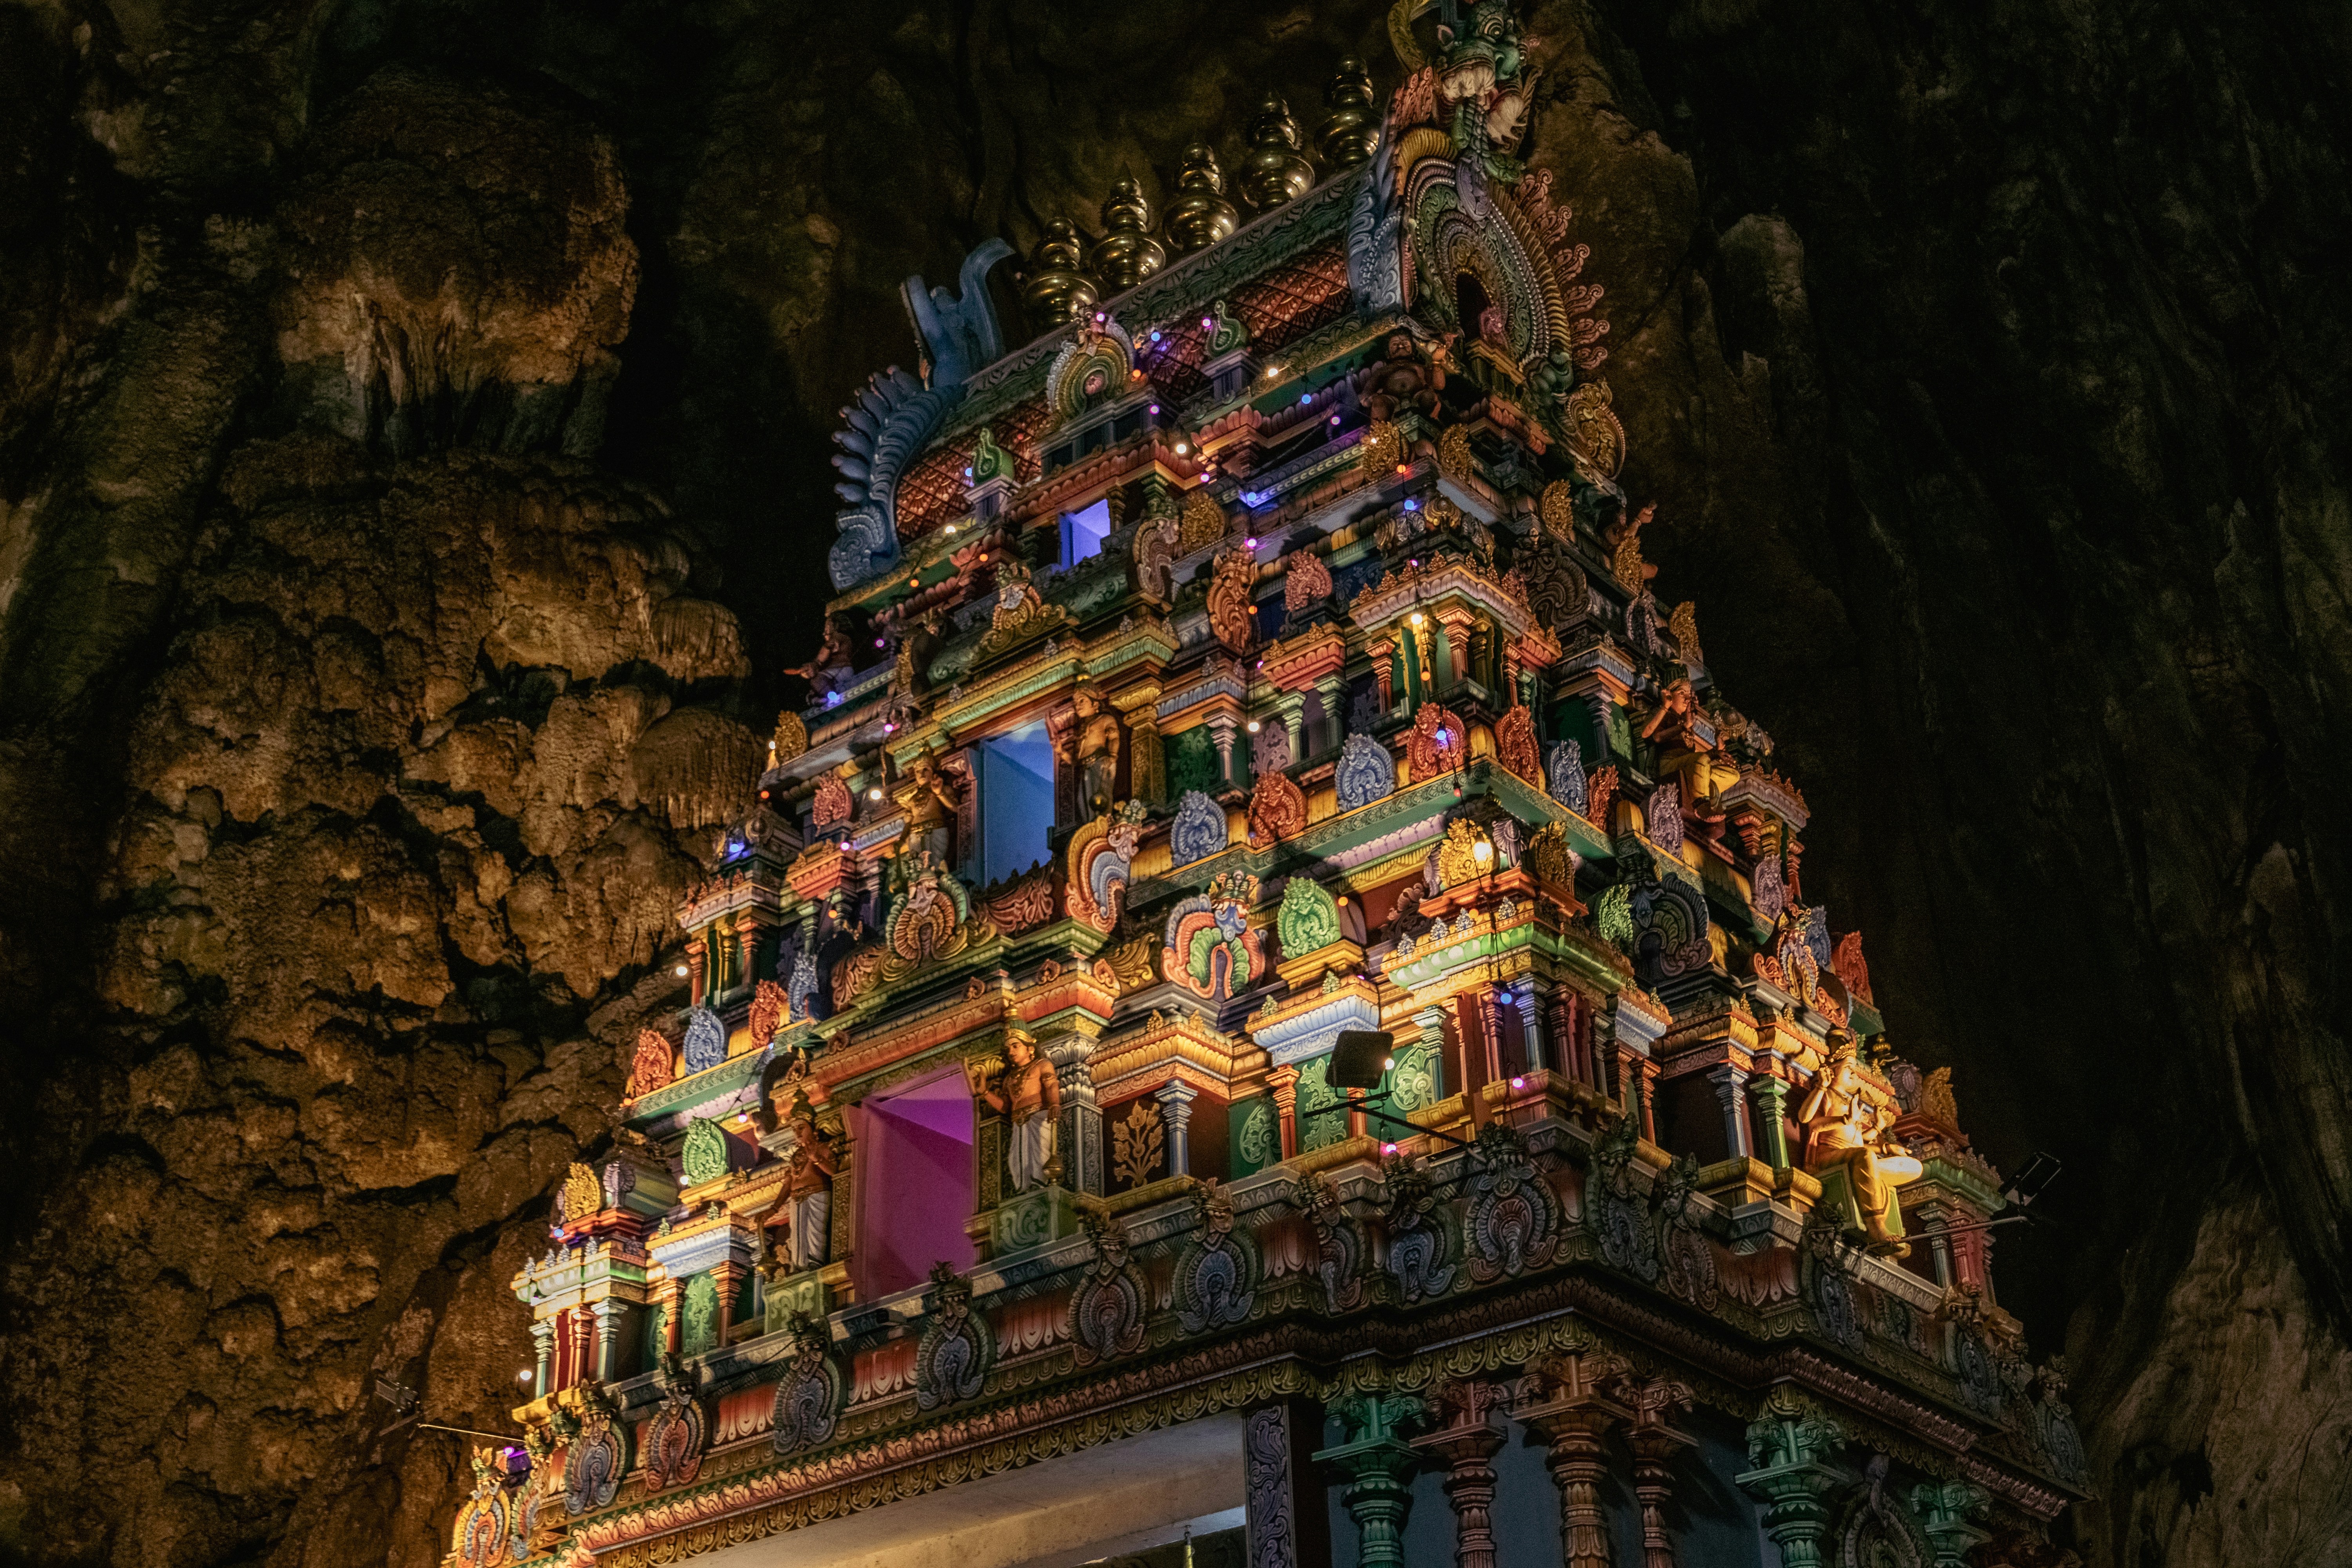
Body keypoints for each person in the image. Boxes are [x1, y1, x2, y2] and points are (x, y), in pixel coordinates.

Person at [1797, 1030, 1924, 1253]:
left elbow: (1858, 1144)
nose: (1854, 1075)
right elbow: (1808, 1121)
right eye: (1849, 1069)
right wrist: (1841, 1115)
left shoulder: (1852, 1101)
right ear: (1832, 1072)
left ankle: (1869, 1176)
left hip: (1854, 1156)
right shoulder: (1826, 1095)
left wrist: (1884, 1143)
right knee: (1866, 1157)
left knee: (1914, 1166)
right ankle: (1876, 1228)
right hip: (1828, 1157)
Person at [974, 1027, 1063, 1192]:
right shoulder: (1009, 1079)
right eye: (1008, 1049)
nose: (1011, 1051)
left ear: (1030, 1049)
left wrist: (1055, 1104)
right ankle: (1024, 1189)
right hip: (1018, 1122)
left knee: (1040, 1154)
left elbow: (1051, 1085)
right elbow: (1005, 1107)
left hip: (1039, 1116)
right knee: (1016, 1159)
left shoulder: (1042, 1065)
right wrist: (985, 1093)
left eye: (1016, 1046)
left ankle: (1040, 1186)